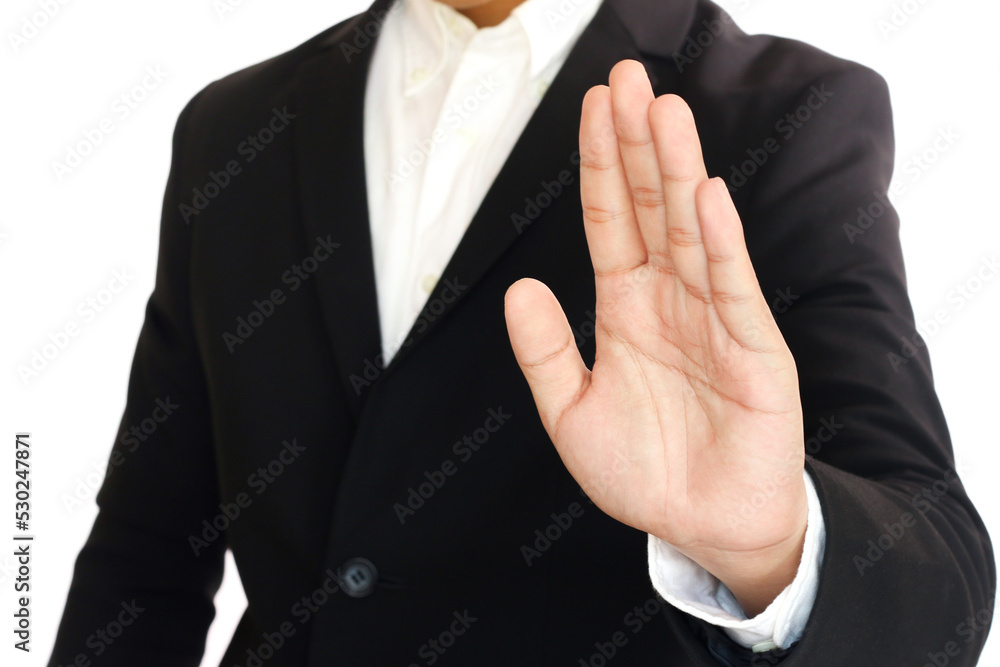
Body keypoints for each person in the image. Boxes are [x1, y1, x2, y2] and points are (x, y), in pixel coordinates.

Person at [49, 0, 995, 664]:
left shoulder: (785, 114)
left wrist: (769, 546)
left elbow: (939, 596)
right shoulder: (230, 129)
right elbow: (145, 554)